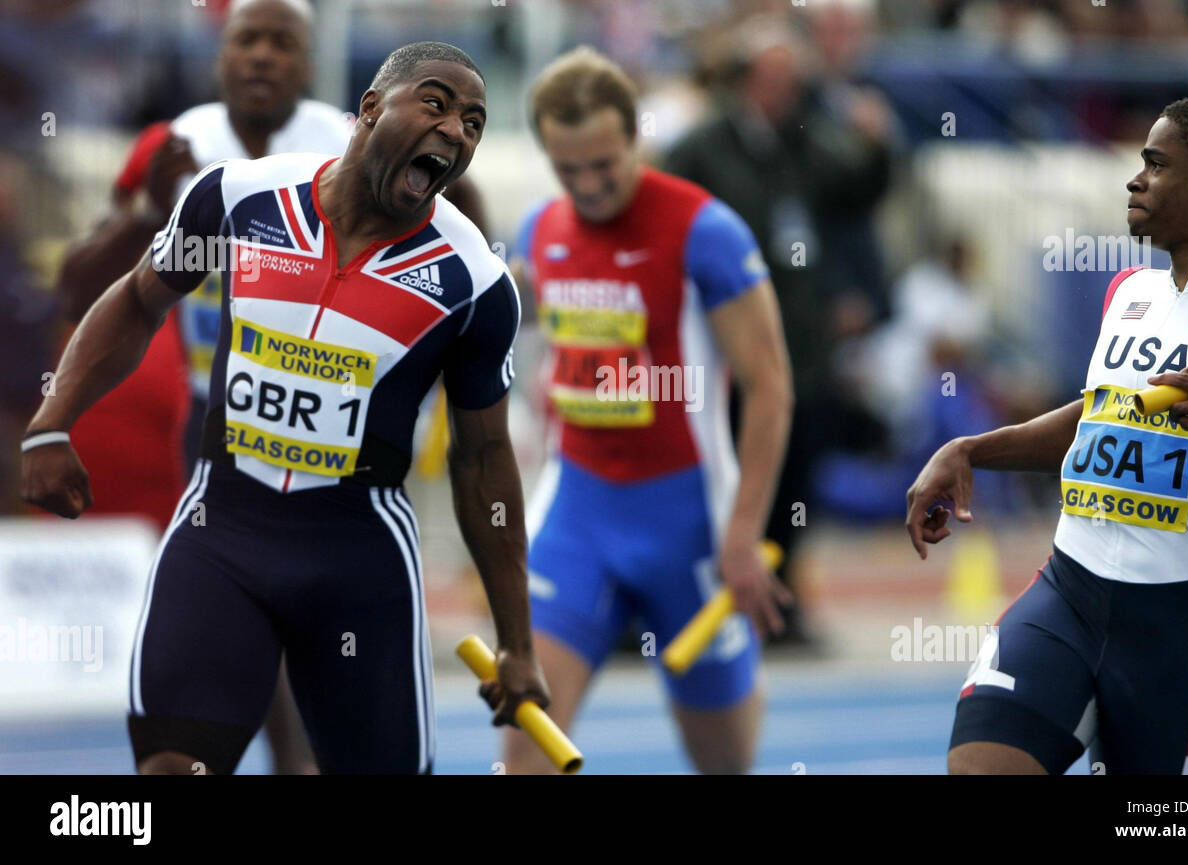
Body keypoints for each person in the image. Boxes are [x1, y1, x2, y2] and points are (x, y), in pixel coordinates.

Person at [21, 41, 546, 775]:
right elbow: (139, 299)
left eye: (474, 121)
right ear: (369, 108)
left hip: (358, 565)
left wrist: (517, 642)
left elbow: (483, 460)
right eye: (435, 102)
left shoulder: (474, 283)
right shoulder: (239, 195)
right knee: (174, 768)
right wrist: (50, 426)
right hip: (223, 534)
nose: (456, 129)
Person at [906, 94, 1188, 774]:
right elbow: (1096, 418)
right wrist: (970, 449)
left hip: (1175, 624)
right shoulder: (1128, 292)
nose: (1133, 179)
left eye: (1155, 163)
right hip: (1067, 590)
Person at [497, 47, 793, 774]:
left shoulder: (706, 232)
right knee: (526, 746)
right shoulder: (540, 231)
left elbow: (770, 384)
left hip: (689, 525)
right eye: (571, 170)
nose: (592, 185)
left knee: (722, 762)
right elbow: (518, 311)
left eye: (606, 163)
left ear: (635, 137)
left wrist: (744, 531)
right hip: (578, 517)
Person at [664, 16, 892, 640]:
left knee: (796, 480)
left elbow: (855, 193)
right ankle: (699, 607)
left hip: (801, 345)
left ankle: (777, 604)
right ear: (744, 80)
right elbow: (666, 218)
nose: (785, 90)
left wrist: (875, 146)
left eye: (793, 79)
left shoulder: (806, 140)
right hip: (725, 347)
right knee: (725, 477)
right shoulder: (703, 146)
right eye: (773, 78)